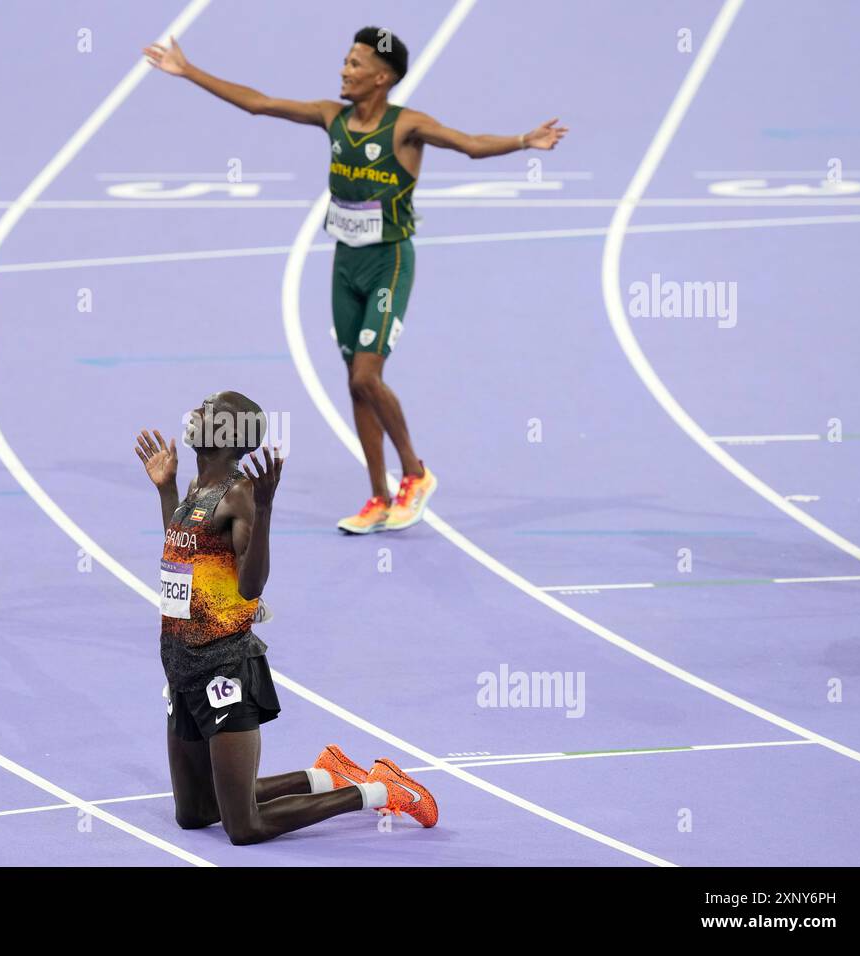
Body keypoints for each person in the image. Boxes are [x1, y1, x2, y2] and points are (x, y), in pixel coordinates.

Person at [144, 28, 567, 533]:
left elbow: (470, 146)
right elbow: (259, 104)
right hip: (344, 264)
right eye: (345, 62)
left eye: (355, 64)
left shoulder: (406, 126)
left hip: (387, 262)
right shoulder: (333, 117)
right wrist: (188, 71)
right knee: (355, 384)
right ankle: (377, 496)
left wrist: (525, 140)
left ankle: (415, 473)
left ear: (381, 77)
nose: (344, 70)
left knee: (368, 375)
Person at [135, 392, 437, 843]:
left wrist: (267, 509)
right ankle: (326, 774)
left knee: (244, 826)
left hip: (223, 668)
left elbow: (251, 587)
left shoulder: (238, 494)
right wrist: (167, 492)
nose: (195, 413)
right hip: (181, 667)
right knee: (195, 813)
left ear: (229, 434)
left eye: (208, 411)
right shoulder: (195, 489)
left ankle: (378, 790)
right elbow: (185, 552)